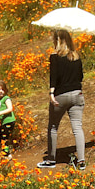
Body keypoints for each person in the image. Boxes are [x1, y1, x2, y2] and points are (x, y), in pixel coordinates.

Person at [38, 29, 86, 170]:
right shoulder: (76, 56)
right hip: (77, 95)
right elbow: (81, 77)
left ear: (57, 41)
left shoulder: (54, 57)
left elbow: (54, 77)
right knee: (77, 127)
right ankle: (81, 161)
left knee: (53, 127)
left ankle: (51, 160)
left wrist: (51, 93)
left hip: (61, 95)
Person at [0, 80, 17, 159]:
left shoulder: (6, 98)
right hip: (4, 122)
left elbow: (10, 109)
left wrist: (0, 113)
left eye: (2, 89)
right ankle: (4, 153)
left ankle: (7, 155)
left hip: (9, 121)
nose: (1, 91)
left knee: (4, 138)